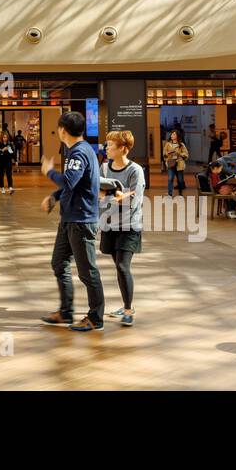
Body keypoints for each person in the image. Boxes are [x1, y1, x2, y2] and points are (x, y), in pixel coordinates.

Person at [39, 111, 105, 332]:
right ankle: (66, 312)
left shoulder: (78, 153)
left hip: (81, 221)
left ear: (62, 130)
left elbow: (69, 180)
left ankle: (95, 317)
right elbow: (73, 185)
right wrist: (55, 197)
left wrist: (49, 171)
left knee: (87, 271)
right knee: (59, 263)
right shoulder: (79, 151)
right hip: (69, 218)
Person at [99, 129, 143, 326]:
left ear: (123, 149)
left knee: (123, 266)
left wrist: (114, 197)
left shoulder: (135, 170)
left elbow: (134, 200)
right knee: (119, 266)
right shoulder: (104, 168)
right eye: (107, 145)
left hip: (129, 226)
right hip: (110, 225)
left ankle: (128, 309)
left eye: (110, 145)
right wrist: (114, 197)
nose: (106, 148)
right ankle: (126, 304)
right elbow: (98, 194)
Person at [163, 128, 188, 197]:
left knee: (180, 180)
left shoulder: (181, 145)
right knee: (170, 178)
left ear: (177, 136)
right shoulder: (168, 144)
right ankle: (169, 193)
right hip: (171, 163)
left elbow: (186, 154)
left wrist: (179, 153)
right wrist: (168, 154)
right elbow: (164, 154)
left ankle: (180, 194)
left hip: (179, 164)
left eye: (174, 134)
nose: (172, 135)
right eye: (172, 134)